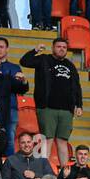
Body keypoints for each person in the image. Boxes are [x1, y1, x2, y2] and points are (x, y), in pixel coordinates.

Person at [19, 39, 83, 171]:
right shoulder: (43, 59)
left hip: (66, 110)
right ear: (53, 48)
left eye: (64, 47)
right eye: (59, 46)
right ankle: (41, 170)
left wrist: (79, 105)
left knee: (62, 141)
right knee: (46, 140)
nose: (61, 49)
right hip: (47, 107)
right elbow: (24, 61)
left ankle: (65, 172)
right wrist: (35, 50)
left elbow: (77, 86)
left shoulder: (70, 65)